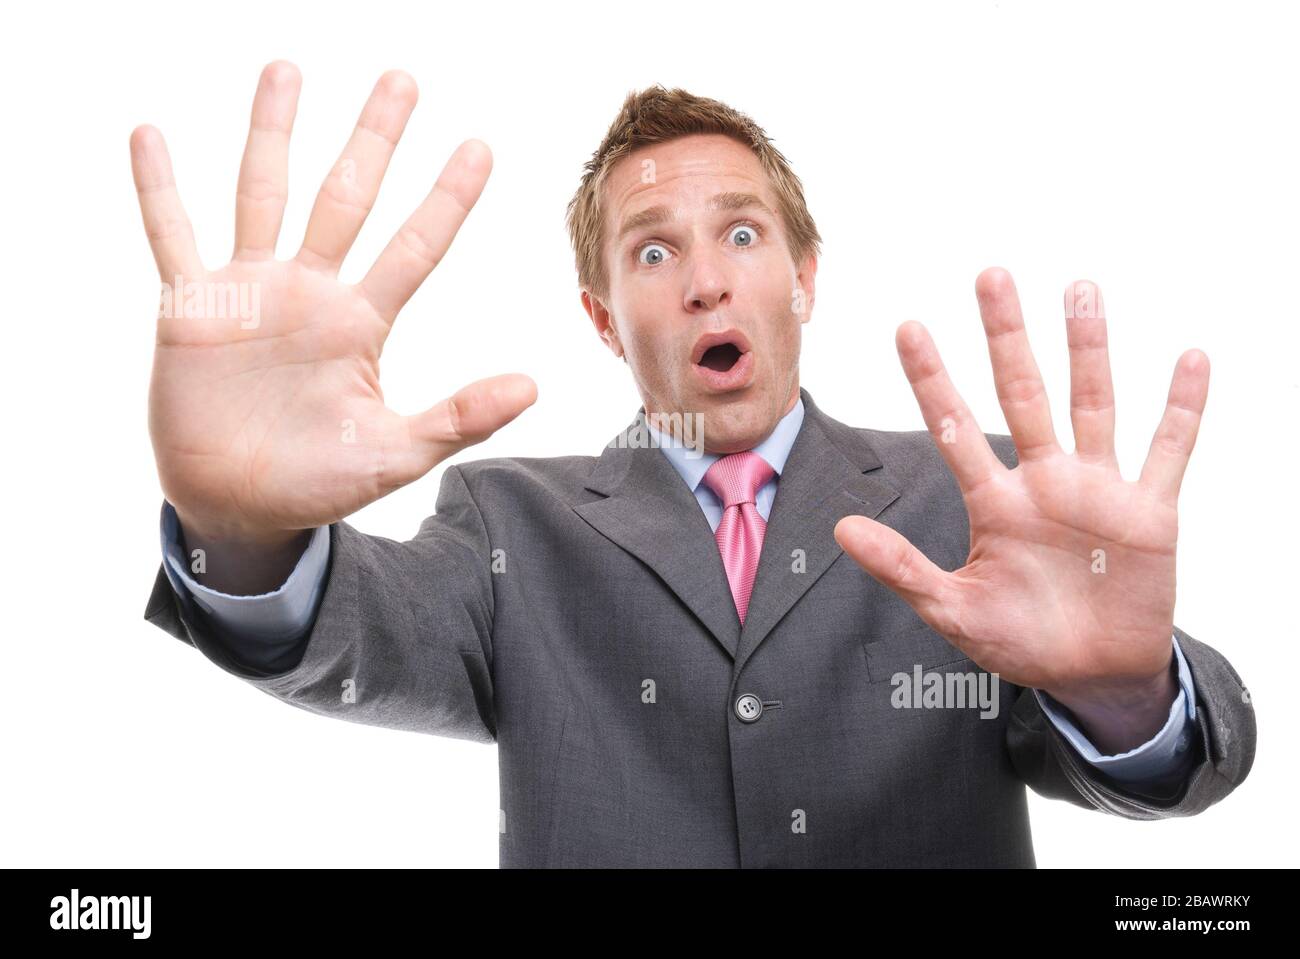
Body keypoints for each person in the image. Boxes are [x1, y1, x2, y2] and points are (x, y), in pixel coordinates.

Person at [135, 62, 1255, 867]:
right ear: (605, 319)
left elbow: (1180, 759)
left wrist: (1122, 694)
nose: (706, 281)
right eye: (653, 250)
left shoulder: (978, 502)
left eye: (744, 233)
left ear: (804, 277)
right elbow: (359, 635)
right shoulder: (507, 519)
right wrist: (239, 530)